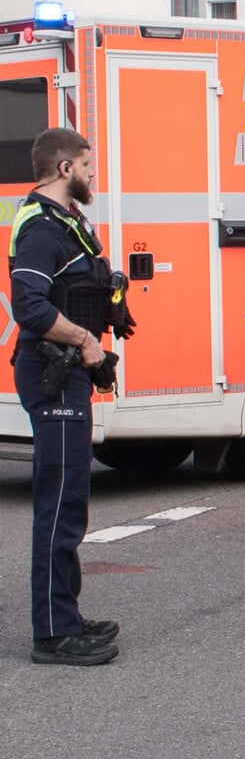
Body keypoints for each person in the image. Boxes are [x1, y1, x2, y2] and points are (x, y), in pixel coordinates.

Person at [10, 128, 134, 665]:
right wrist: (85, 340)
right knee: (59, 503)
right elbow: (31, 309)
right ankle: (54, 635)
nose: (92, 173)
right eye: (87, 165)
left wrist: (109, 306)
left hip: (68, 372)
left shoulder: (67, 222)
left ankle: (66, 614)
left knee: (72, 500)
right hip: (53, 372)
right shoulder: (41, 228)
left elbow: (72, 290)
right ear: (64, 169)